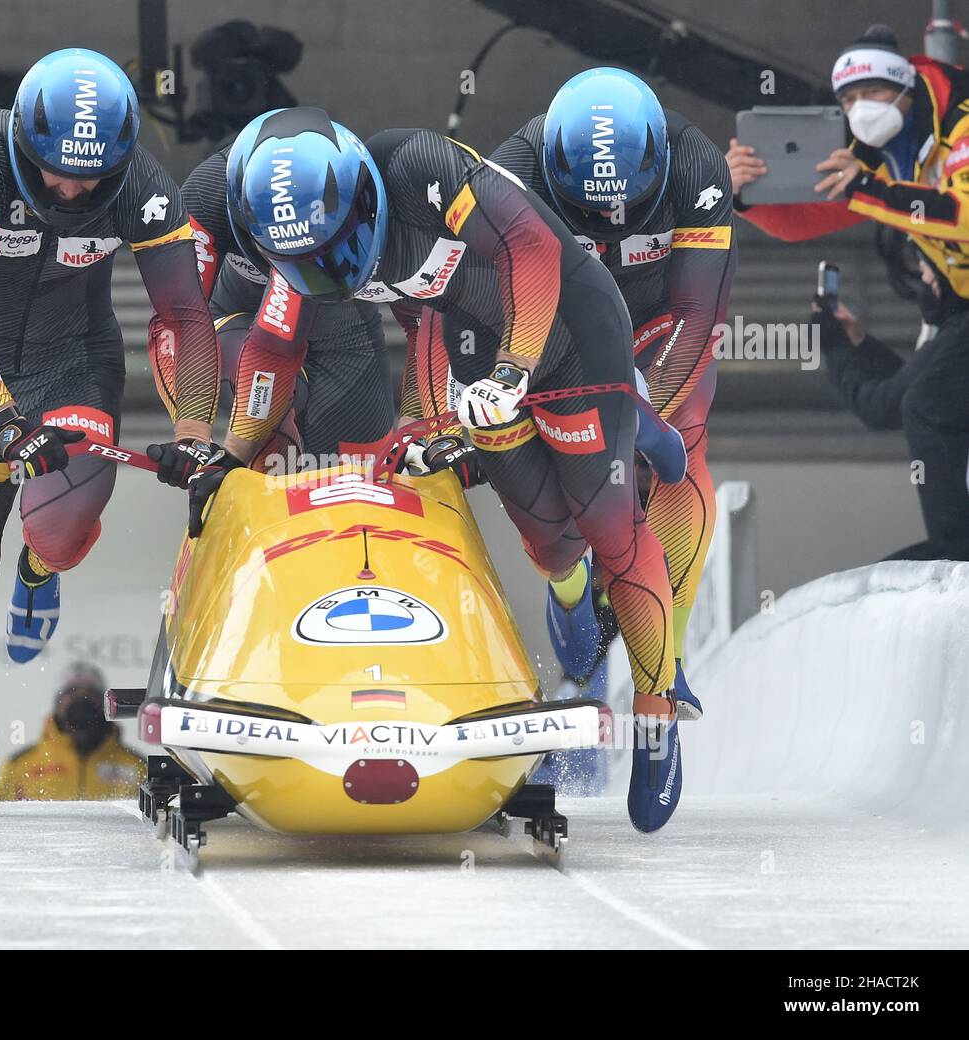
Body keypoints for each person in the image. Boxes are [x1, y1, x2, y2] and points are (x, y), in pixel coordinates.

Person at [193, 106, 685, 832]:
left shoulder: (421, 166)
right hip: (475, 348)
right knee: (551, 540)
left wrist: (516, 371)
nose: (328, 272)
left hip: (571, 332)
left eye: (337, 247)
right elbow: (272, 351)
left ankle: (657, 714)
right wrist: (231, 454)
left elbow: (531, 250)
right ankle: (626, 432)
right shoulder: (301, 252)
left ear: (360, 195)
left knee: (608, 526)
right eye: (306, 263)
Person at [0, 48, 220, 816]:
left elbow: (185, 315)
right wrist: (0, 417)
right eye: (54, 169)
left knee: (59, 526)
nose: (71, 188)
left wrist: (192, 427)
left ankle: (40, 569)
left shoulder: (143, 187)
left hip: (71, 366)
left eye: (90, 176)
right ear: (24, 140)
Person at [490, 67, 736, 717]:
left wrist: (643, 415)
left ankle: (669, 663)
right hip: (562, 343)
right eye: (591, 208)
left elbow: (698, 313)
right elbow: (492, 307)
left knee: (682, 450)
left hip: (659, 329)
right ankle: (573, 588)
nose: (610, 217)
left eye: (626, 204)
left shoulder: (699, 169)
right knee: (577, 500)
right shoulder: (507, 174)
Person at [147, 140, 399, 473]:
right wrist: (192, 436)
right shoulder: (208, 194)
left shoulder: (370, 193)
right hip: (244, 327)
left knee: (368, 481)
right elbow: (177, 319)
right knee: (270, 435)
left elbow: (431, 314)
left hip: (346, 339)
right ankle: (264, 467)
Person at [727, 23, 969, 305]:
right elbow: (805, 219)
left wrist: (867, 188)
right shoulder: (873, 156)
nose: (862, 108)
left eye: (874, 91)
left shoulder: (961, 120)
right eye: (850, 99)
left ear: (907, 87)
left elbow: (964, 216)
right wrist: (741, 194)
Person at [814, 258, 969, 560]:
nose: (922, 279)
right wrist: (859, 344)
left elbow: (883, 406)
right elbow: (915, 391)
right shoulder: (956, 334)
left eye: (926, 270)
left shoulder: (961, 331)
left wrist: (836, 348)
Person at [0, 665, 144, 801]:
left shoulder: (137, 765)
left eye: (90, 693)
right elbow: (1, 822)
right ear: (58, 702)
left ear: (106, 704)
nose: (82, 700)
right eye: (72, 693)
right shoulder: (19, 764)